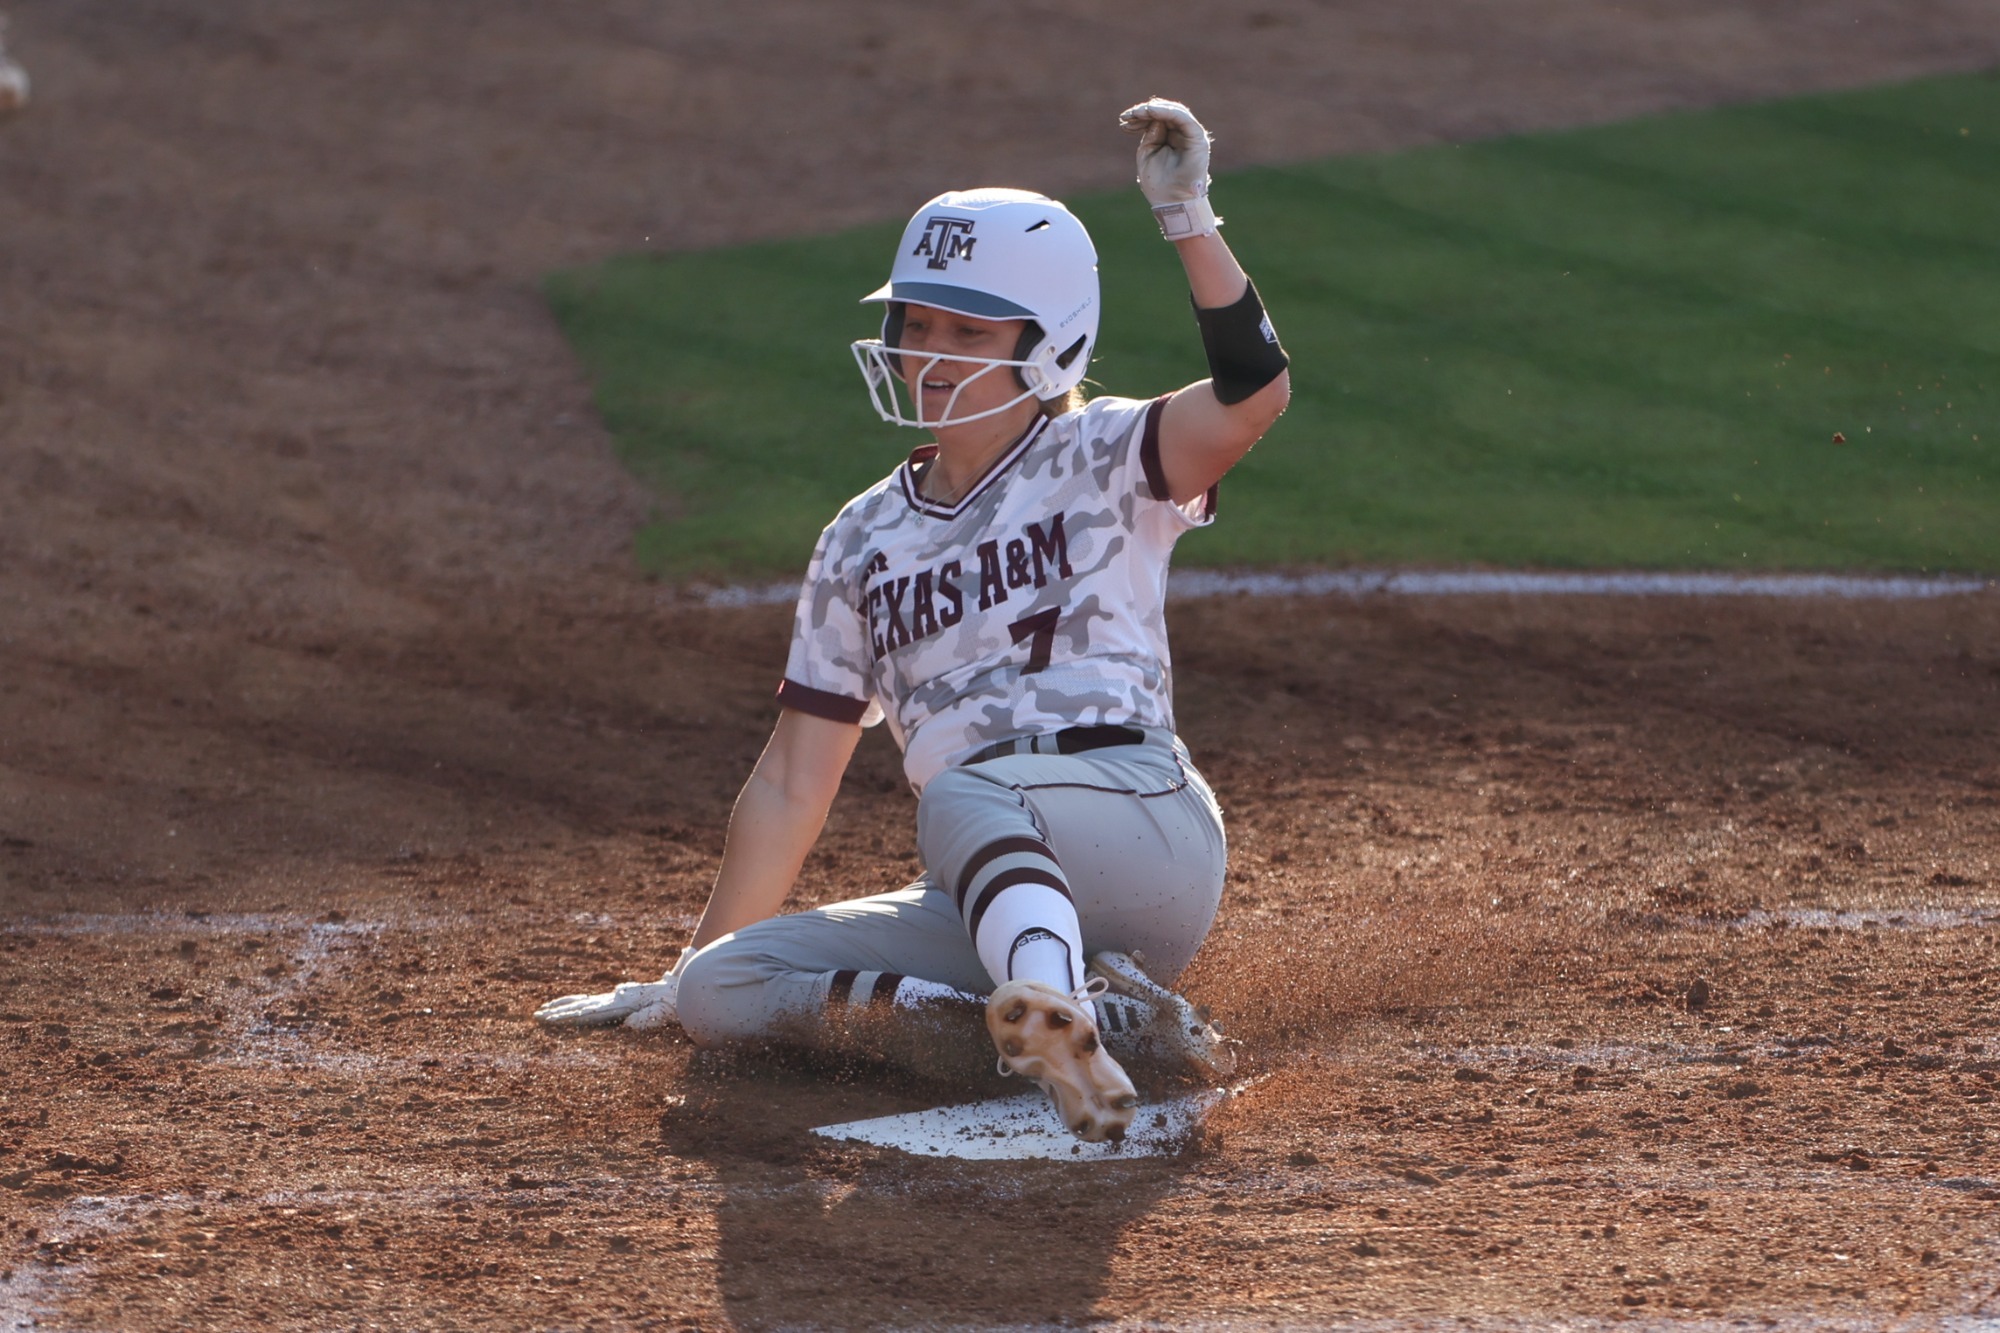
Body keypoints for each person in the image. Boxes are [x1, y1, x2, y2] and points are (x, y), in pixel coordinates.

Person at [538, 99, 1290, 1144]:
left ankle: (1052, 1005)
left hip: (1139, 825)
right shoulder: (860, 539)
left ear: (1050, 346)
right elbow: (791, 782)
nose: (931, 353)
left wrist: (1187, 219)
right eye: (917, 325)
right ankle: (1081, 1022)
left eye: (968, 332)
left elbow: (1253, 396)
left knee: (962, 787)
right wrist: (680, 975)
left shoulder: (1108, 455)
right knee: (724, 985)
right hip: (986, 881)